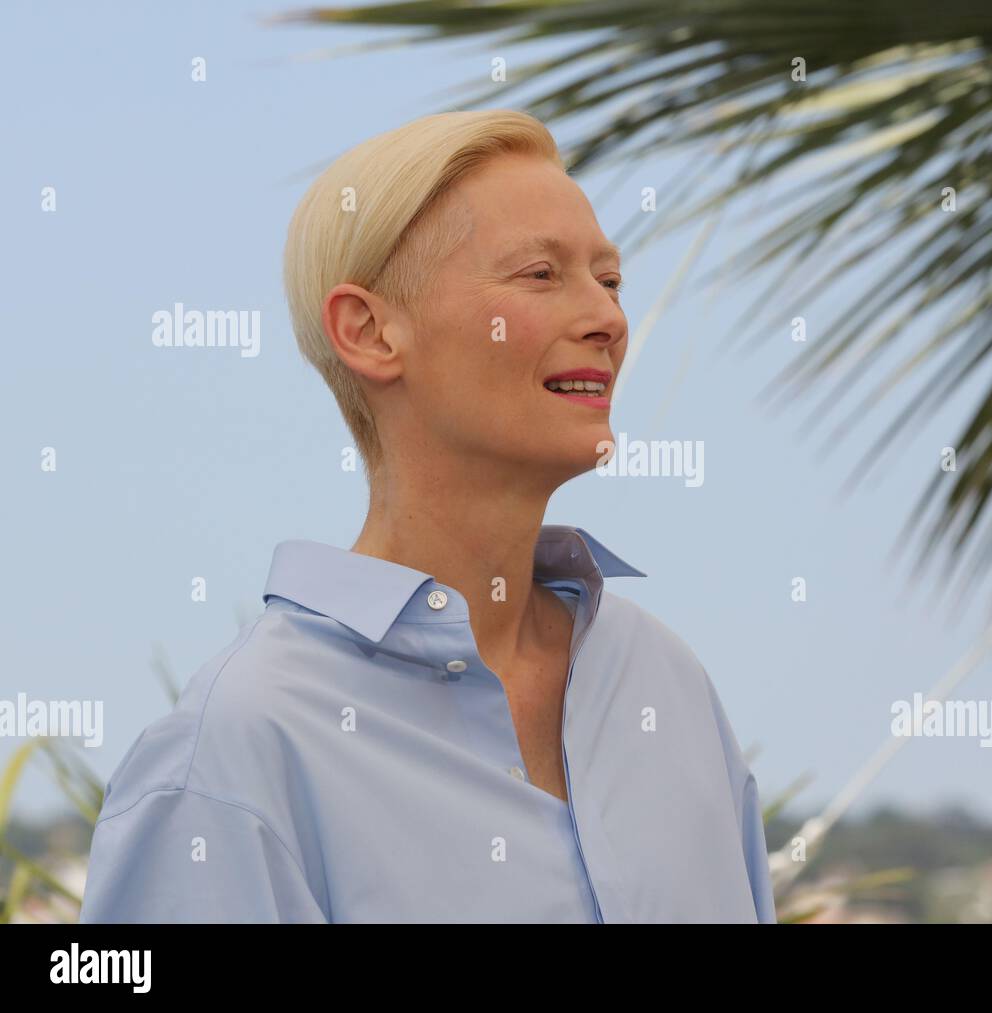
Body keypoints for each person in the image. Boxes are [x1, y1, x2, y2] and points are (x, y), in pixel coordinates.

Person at [79, 109, 777, 923]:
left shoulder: (663, 680)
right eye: (540, 275)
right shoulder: (235, 755)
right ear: (370, 332)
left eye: (610, 279)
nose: (609, 319)